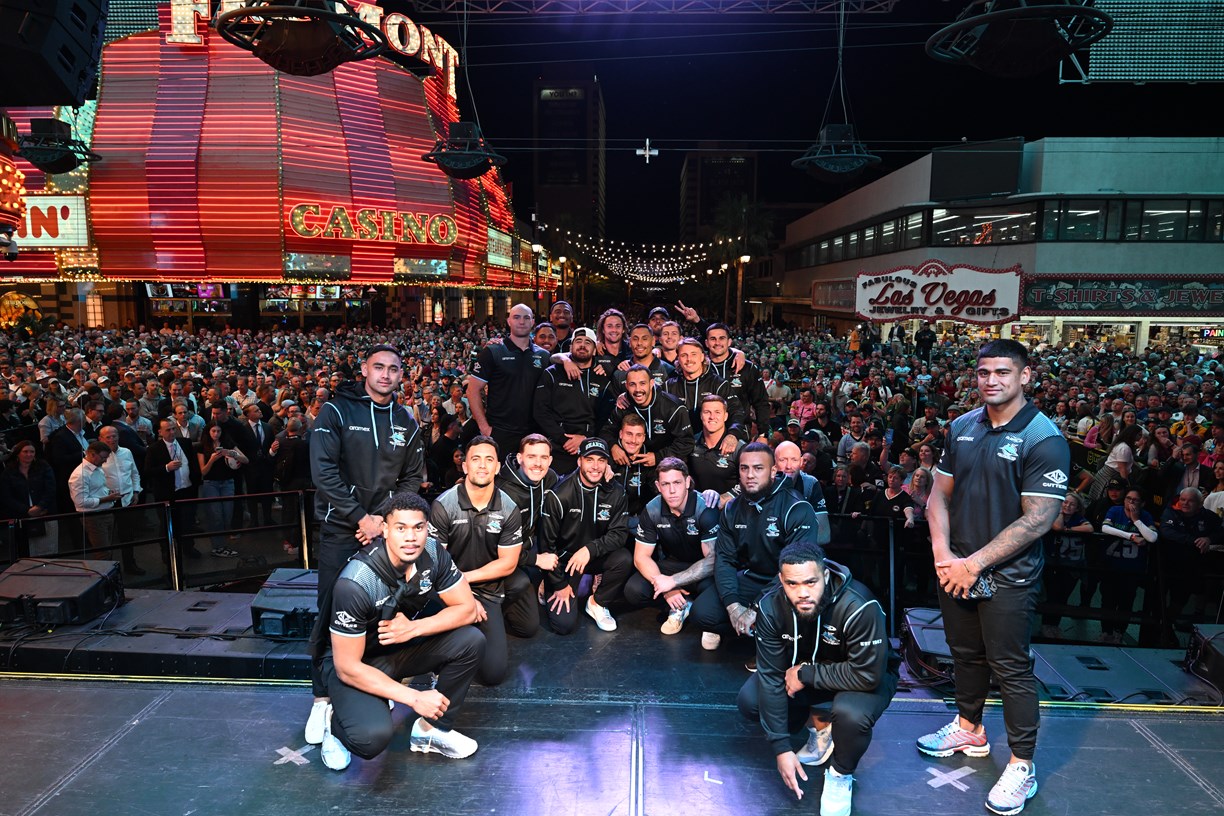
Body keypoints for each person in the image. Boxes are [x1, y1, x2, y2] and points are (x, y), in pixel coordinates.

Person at [918, 339, 1069, 816]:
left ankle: (1022, 765)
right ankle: (970, 728)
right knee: (963, 654)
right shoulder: (961, 426)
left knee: (1011, 668)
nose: (991, 380)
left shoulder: (1043, 438)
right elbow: (938, 497)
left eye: (1003, 372)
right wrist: (944, 556)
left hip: (1008, 576)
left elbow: (1038, 519)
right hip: (955, 568)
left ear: (1025, 376)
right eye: (984, 372)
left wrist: (974, 563)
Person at [305, 344, 426, 747]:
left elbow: (411, 479)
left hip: (386, 533)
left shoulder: (406, 419)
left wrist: (383, 520)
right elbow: (323, 473)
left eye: (394, 369)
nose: (386, 375)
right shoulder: (336, 411)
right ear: (364, 370)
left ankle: (371, 684)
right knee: (329, 611)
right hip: (343, 530)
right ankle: (322, 697)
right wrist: (361, 518)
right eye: (379, 367)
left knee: (386, 609)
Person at [317, 491, 485, 771]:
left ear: (427, 529)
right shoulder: (357, 582)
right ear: (384, 529)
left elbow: (467, 608)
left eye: (418, 527)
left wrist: (414, 629)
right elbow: (346, 666)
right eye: (401, 528)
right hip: (357, 663)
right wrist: (414, 697)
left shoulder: (432, 552)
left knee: (471, 640)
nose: (411, 537)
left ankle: (431, 730)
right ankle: (334, 725)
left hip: (398, 647)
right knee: (371, 739)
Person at [739, 541, 899, 816]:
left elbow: (867, 675)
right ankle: (820, 728)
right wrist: (781, 748)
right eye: (792, 584)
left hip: (862, 676)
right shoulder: (770, 607)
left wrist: (806, 673)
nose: (802, 593)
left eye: (811, 582)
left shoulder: (859, 606)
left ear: (824, 576)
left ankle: (840, 775)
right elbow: (770, 676)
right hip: (809, 673)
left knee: (850, 713)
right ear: (781, 581)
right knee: (751, 700)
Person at [692, 442, 822, 655]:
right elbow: (724, 559)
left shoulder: (796, 508)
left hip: (787, 583)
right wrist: (734, 607)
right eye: (744, 468)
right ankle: (755, 632)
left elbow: (797, 571)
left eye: (758, 468)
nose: (750, 474)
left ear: (773, 471)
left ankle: (773, 642)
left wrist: (755, 608)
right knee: (702, 612)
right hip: (753, 577)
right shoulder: (732, 509)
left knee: (800, 609)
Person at [428, 436, 534, 687]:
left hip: (487, 591)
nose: (483, 466)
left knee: (493, 675)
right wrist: (463, 596)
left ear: (498, 467)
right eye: (475, 459)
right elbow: (436, 564)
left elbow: (508, 564)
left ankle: (484, 626)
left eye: (489, 460)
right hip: (447, 591)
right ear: (464, 466)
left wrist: (468, 581)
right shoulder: (444, 505)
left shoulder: (508, 507)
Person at [537, 437, 631, 634]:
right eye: (589, 460)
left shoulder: (616, 492)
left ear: (607, 463)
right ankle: (545, 582)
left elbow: (620, 533)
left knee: (623, 559)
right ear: (579, 461)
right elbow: (547, 546)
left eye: (601, 460)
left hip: (592, 556)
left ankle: (597, 603)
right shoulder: (559, 494)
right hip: (564, 562)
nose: (595, 466)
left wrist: (590, 549)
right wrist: (559, 583)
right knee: (564, 625)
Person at [625, 458, 720, 636]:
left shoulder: (705, 508)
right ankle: (681, 604)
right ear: (658, 486)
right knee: (634, 590)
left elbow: (712, 561)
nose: (672, 490)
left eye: (677, 482)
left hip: (702, 569)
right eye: (665, 484)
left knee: (717, 583)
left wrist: (673, 582)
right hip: (672, 565)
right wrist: (665, 586)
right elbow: (641, 557)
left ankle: (703, 613)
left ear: (687, 482)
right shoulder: (652, 509)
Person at [467, 304, 552, 453]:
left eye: (526, 318)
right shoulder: (493, 351)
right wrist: (485, 428)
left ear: (533, 322)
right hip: (500, 432)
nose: (522, 321)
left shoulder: (544, 356)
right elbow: (472, 390)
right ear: (509, 321)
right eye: (516, 317)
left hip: (535, 433)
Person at [532, 326, 612, 475]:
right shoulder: (552, 373)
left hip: (588, 447)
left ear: (595, 350)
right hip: (556, 446)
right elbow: (540, 411)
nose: (582, 345)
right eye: (578, 341)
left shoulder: (603, 379)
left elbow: (605, 418)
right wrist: (563, 439)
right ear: (570, 347)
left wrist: (586, 439)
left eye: (588, 342)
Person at [1097, 486, 1157, 644]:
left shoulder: (1145, 516)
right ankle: (1106, 631)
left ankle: (1119, 633)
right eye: (1128, 498)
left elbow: (1152, 537)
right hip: (1111, 565)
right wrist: (1131, 536)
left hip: (1132, 569)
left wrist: (1136, 520)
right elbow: (1105, 528)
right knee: (1107, 600)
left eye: (1135, 500)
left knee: (1126, 602)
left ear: (1142, 503)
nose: (1131, 502)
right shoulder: (1114, 511)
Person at [196, 421, 248, 558]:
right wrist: (212, 459)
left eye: (218, 431)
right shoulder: (202, 447)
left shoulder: (228, 444)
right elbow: (203, 471)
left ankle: (222, 544)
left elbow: (246, 460)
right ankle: (217, 547)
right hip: (211, 483)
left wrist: (232, 454)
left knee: (227, 514)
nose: (216, 434)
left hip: (227, 483)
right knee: (215, 516)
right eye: (213, 431)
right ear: (208, 432)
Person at [98, 425, 145, 574]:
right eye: (108, 437)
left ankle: (130, 566)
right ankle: (107, 572)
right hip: (107, 502)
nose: (112, 439)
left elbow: (134, 474)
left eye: (114, 436)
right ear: (101, 439)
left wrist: (136, 491)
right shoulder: (97, 456)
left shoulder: (127, 452)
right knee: (107, 539)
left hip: (126, 500)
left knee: (128, 536)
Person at [0, 440, 58, 557]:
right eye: (25, 451)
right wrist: (27, 510)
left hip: (45, 513)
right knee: (28, 551)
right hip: (22, 517)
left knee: (48, 550)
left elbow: (51, 489)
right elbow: (6, 496)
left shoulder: (43, 466)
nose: (29, 454)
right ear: (18, 453)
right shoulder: (9, 472)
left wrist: (40, 506)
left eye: (32, 452)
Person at [70, 441, 123, 558]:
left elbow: (98, 489)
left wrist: (109, 493)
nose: (105, 461)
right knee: (103, 552)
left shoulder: (97, 468)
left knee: (108, 549)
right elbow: (81, 502)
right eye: (103, 457)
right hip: (93, 517)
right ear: (92, 454)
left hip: (106, 513)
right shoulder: (80, 475)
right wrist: (106, 498)